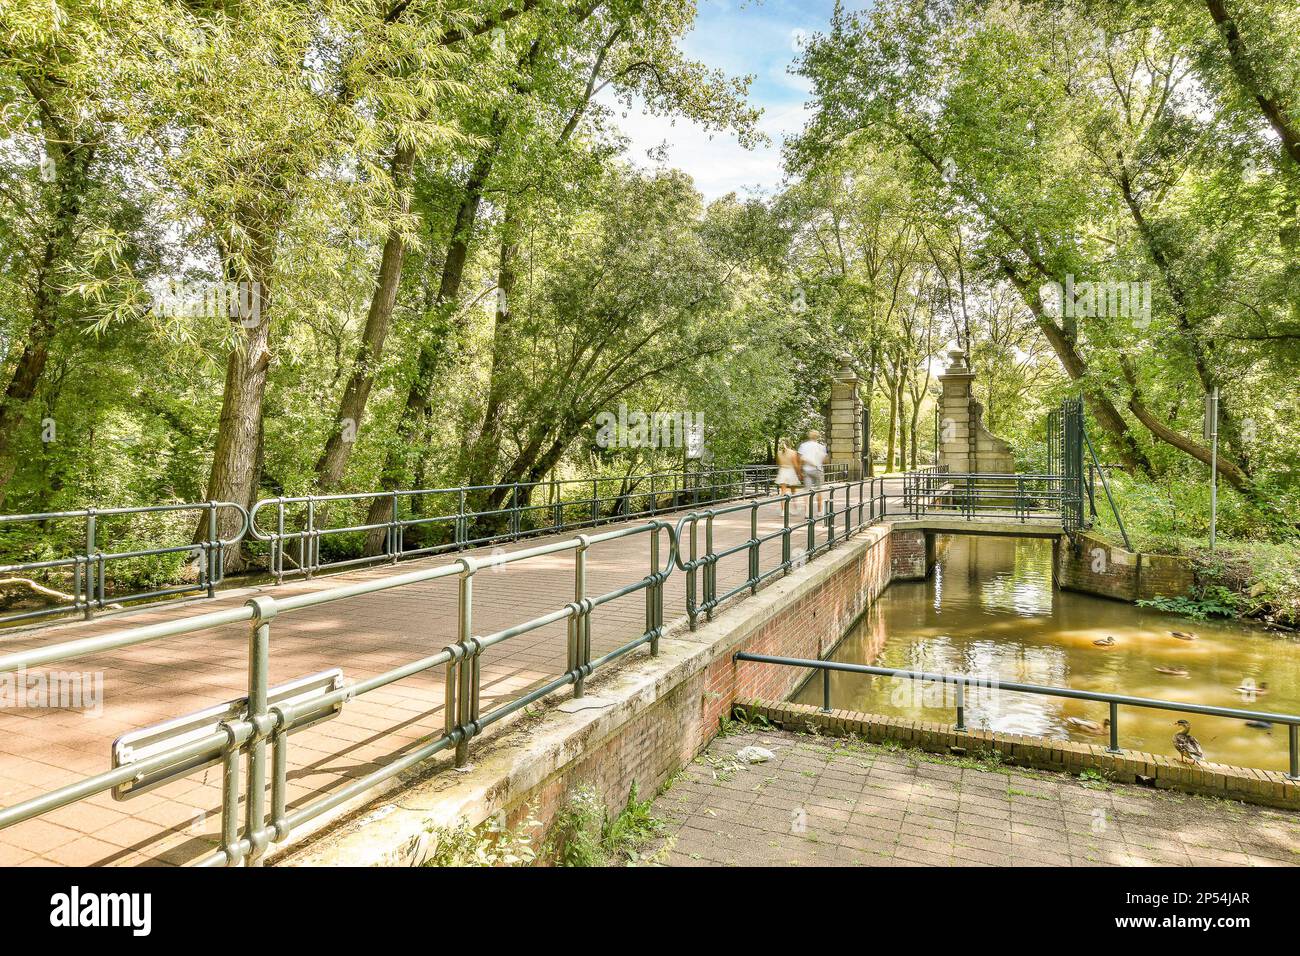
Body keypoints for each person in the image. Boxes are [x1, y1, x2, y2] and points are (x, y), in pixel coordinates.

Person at [797, 429, 828, 517]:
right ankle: (819, 511)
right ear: (817, 437)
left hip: (807, 470)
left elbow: (799, 459)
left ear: (809, 436)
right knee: (819, 490)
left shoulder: (803, 446)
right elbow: (825, 460)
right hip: (818, 470)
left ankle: (807, 512)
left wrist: (799, 472)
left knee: (807, 491)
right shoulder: (821, 447)